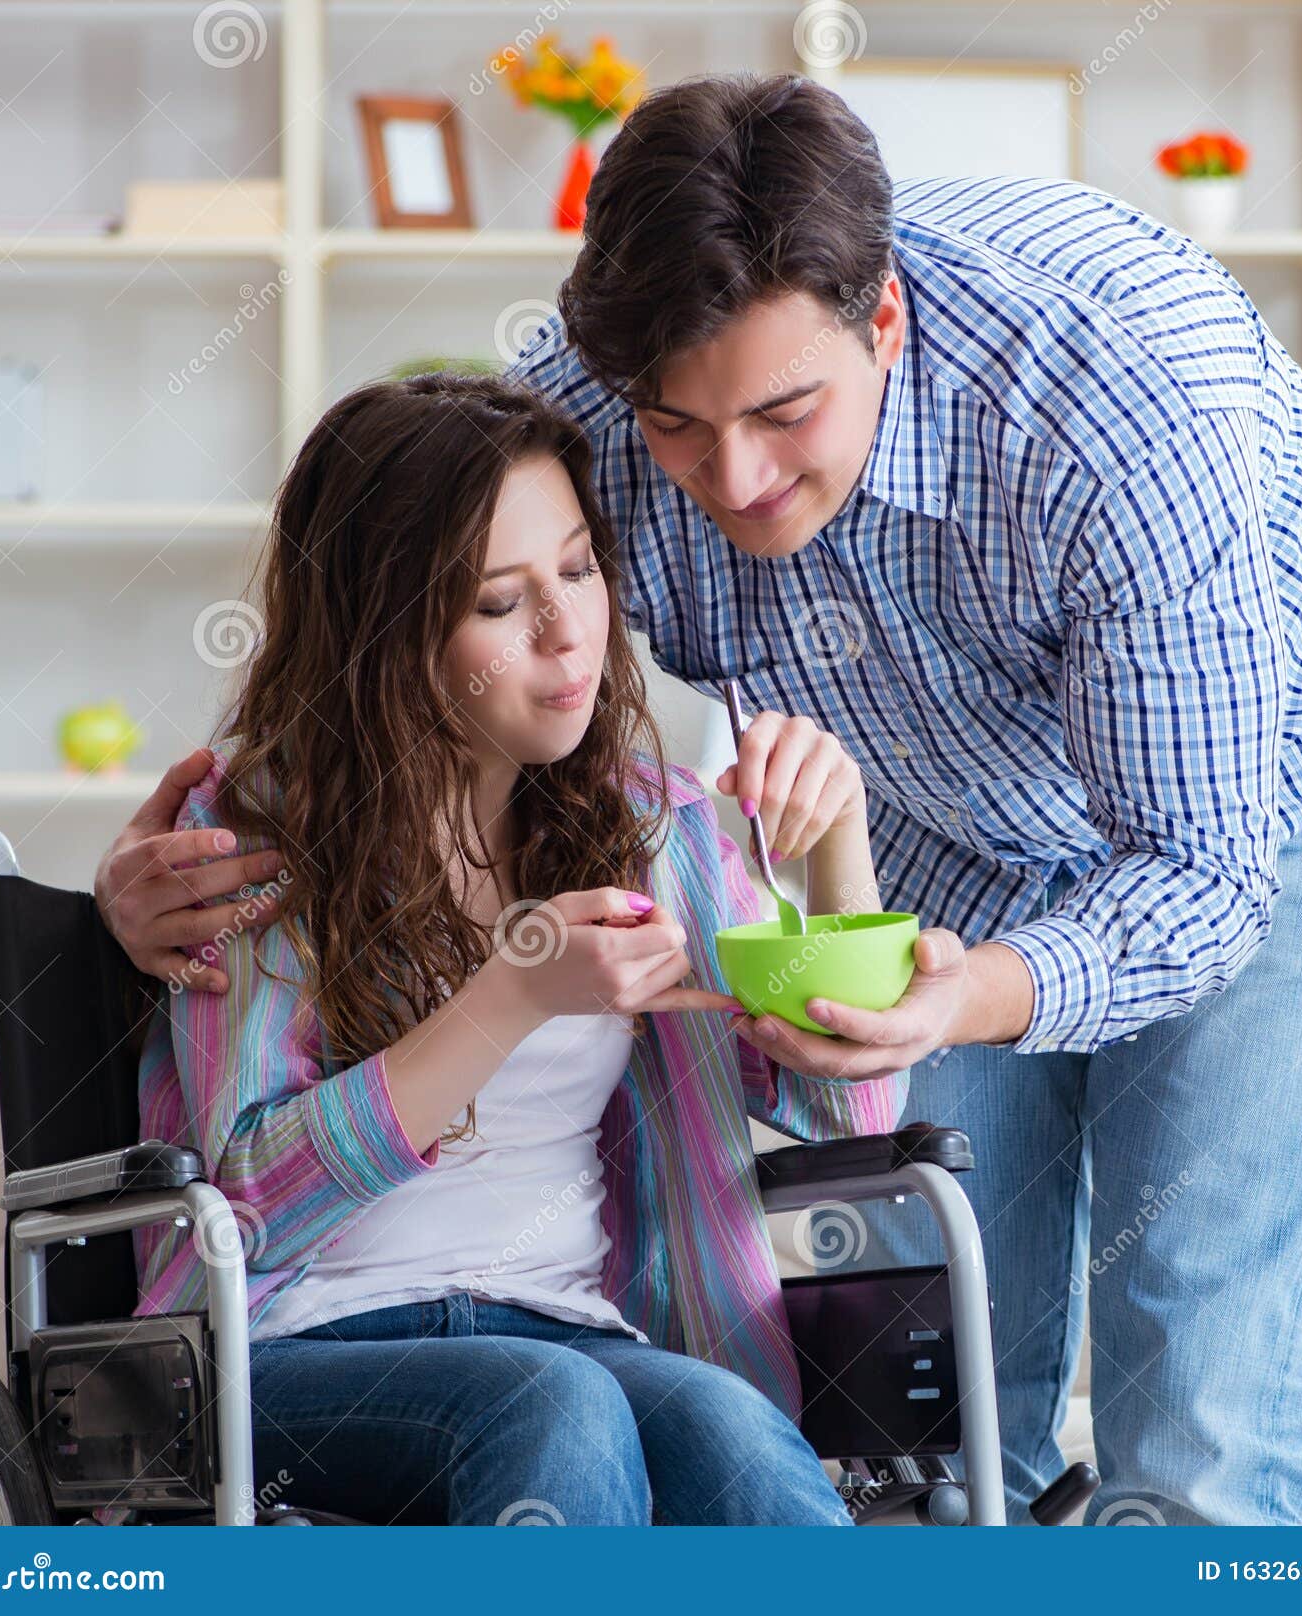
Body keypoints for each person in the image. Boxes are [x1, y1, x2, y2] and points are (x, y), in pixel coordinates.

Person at [98, 74, 1302, 1525]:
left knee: (1202, 1444)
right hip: (934, 804)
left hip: (1246, 803)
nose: (731, 483)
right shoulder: (580, 422)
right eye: (677, 429)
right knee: (941, 1431)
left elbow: (1197, 876)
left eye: (785, 415)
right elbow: (402, 549)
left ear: (886, 326)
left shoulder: (1120, 420)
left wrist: (942, 967)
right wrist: (136, 883)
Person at [126, 370, 908, 1525]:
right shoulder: (251, 837)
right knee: (549, 1404)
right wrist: (513, 995)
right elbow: (243, 1204)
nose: (566, 631)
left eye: (580, 571)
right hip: (290, 1350)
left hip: (572, 1327)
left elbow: (852, 1115)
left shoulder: (657, 826)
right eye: (500, 601)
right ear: (389, 630)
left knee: (731, 1427)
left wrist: (839, 840)